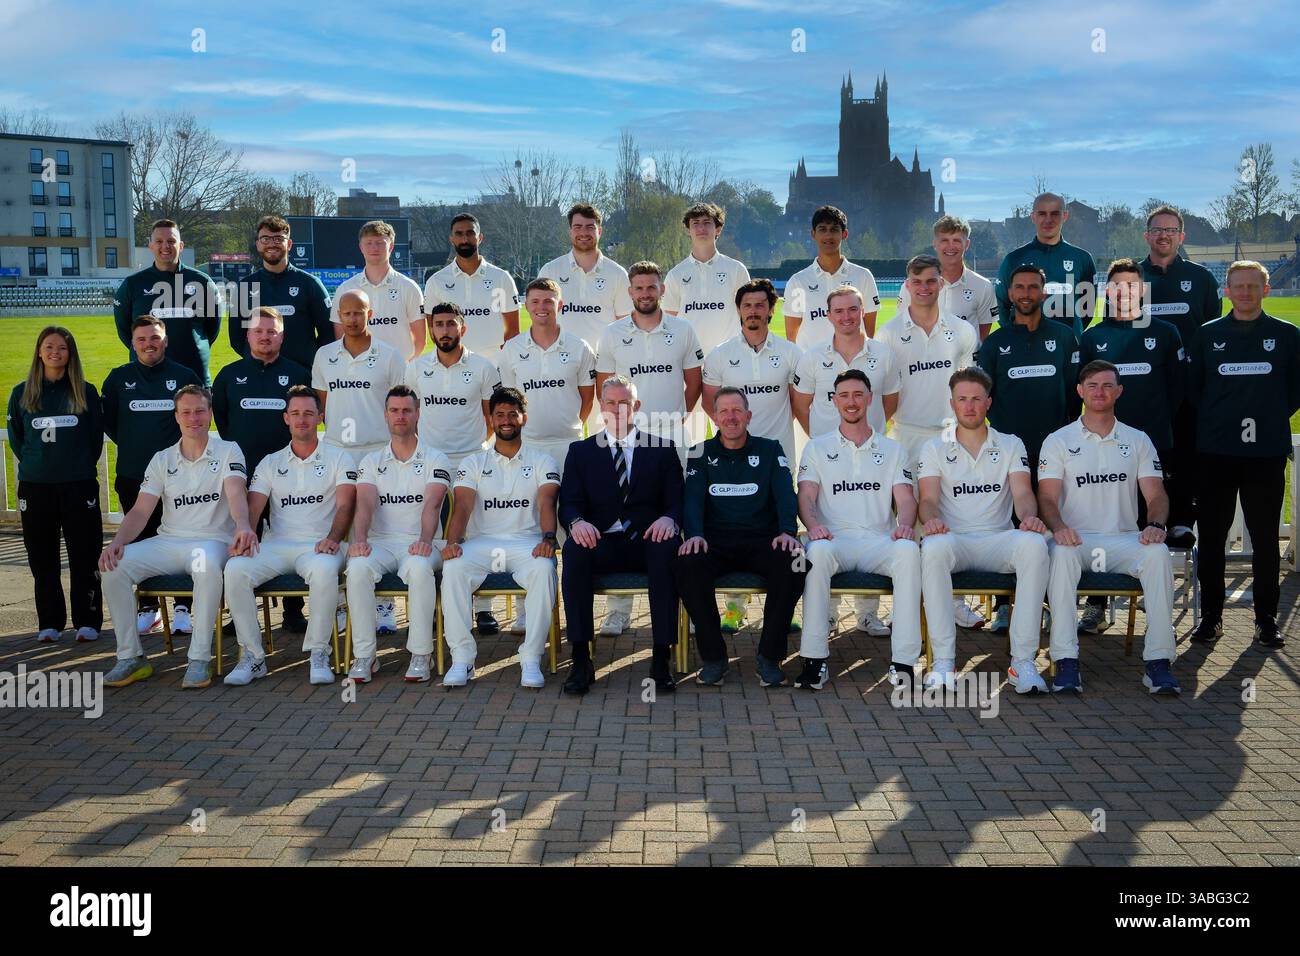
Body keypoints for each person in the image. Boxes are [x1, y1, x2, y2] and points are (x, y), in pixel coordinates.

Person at [98, 385, 257, 689]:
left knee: (205, 564)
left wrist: (243, 525)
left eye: (200, 410)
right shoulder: (162, 459)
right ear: (176, 416)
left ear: (210, 413)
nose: (193, 418)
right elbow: (141, 511)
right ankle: (131, 657)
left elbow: (237, 493)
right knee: (113, 566)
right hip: (169, 541)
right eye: (186, 412)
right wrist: (117, 543)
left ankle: (199, 659)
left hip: (212, 541)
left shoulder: (228, 450)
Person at [1037, 361, 1178, 695]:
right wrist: (1058, 528)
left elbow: (1156, 495)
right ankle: (1066, 660)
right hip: (1076, 539)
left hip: (1124, 540)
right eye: (1092, 386)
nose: (1099, 392)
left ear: (1119, 391)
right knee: (1061, 555)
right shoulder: (1058, 440)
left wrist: (1156, 525)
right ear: (1080, 391)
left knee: (1158, 554)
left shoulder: (1138, 439)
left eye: (1107, 386)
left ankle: (1158, 662)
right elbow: (1046, 498)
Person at [1186, 261, 1300, 649]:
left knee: (1265, 538)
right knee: (1213, 538)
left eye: (1253, 286)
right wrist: (1221, 420)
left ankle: (1266, 620)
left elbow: (1294, 391)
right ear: (1227, 291)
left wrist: (1267, 417)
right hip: (1216, 452)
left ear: (1265, 290)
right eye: (1239, 286)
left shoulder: (1287, 335)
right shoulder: (1207, 336)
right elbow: (1194, 391)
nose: (1246, 292)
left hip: (1265, 453)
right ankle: (1212, 618)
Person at [917, 367, 1050, 693]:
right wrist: (932, 519)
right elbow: (928, 500)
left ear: (988, 402)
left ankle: (1022, 662)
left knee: (1034, 545)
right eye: (962, 399)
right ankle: (944, 662)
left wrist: (1030, 518)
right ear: (952, 403)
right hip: (954, 540)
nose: (970, 406)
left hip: (997, 539)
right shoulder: (933, 448)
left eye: (976, 399)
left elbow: (1022, 495)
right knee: (932, 547)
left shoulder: (1010, 444)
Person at [222, 386, 357, 686]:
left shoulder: (339, 458)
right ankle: (252, 656)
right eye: (295, 414)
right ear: (286, 418)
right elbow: (254, 507)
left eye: (309, 413)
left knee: (323, 570)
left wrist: (334, 538)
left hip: (321, 546)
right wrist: (245, 533)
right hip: (277, 544)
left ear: (321, 417)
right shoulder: (271, 462)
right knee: (235, 569)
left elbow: (347, 504)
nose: (302, 420)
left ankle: (319, 653)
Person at [558, 376, 684, 695]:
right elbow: (569, 502)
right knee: (574, 551)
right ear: (601, 407)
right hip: (601, 540)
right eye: (610, 403)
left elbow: (677, 499)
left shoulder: (662, 449)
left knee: (668, 549)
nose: (617, 409)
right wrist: (576, 523)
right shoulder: (581, 451)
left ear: (636, 407)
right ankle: (581, 657)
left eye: (624, 403)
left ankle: (661, 656)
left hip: (646, 541)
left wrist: (670, 519)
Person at [796, 370, 919, 691]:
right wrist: (814, 526)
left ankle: (904, 662)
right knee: (815, 553)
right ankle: (814, 659)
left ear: (869, 399)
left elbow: (906, 498)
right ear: (834, 401)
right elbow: (806, 496)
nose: (851, 402)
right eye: (844, 396)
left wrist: (904, 526)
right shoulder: (817, 448)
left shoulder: (893, 449)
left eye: (858, 395)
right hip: (834, 540)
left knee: (908, 551)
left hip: (879, 542)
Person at [674, 387, 806, 687]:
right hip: (715, 542)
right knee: (687, 564)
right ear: (714, 417)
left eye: (737, 411)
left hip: (764, 540)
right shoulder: (699, 452)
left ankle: (770, 658)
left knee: (795, 563)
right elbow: (692, 499)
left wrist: (788, 532)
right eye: (724, 411)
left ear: (748, 416)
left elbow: (786, 494)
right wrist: (693, 534)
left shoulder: (771, 450)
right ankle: (714, 658)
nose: (730, 417)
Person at [976, 263, 1081, 634]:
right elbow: (984, 400)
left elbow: (1074, 396)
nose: (1025, 294)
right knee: (1013, 526)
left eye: (1032, 287)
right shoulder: (994, 344)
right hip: (1009, 455)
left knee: (1051, 524)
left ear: (1044, 292)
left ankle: (1048, 603)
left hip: (1056, 451)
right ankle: (1005, 605)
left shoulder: (1065, 338)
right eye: (1018, 287)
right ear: (1009, 294)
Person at [792, 284, 900, 635]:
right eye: (838, 311)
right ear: (828, 316)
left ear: (863, 310)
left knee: (874, 525)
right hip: (828, 456)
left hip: (872, 452)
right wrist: (822, 440)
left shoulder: (883, 354)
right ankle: (827, 611)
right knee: (826, 527)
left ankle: (868, 613)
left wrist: (866, 431)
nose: (847, 317)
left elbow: (890, 401)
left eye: (853, 309)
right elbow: (800, 404)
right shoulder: (811, 357)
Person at [439, 388, 561, 689]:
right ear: (490, 419)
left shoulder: (543, 460)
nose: (506, 420)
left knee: (545, 569)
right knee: (453, 569)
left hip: (526, 543)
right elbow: (463, 506)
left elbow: (547, 503)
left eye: (512, 414)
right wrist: (452, 543)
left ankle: (531, 658)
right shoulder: (472, 463)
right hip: (482, 543)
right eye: (499, 415)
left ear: (524, 417)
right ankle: (462, 659)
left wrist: (548, 538)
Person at [701, 277, 802, 633]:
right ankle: (734, 607)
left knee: (778, 529)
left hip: (777, 455)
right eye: (747, 306)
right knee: (734, 528)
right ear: (739, 311)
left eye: (760, 305)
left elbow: (799, 403)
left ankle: (783, 606)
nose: (753, 311)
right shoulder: (720, 355)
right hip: (733, 457)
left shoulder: (791, 353)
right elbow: (710, 404)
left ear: (771, 310)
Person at [405, 300, 502, 636]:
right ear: (431, 329)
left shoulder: (484, 367)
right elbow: (411, 413)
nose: (444, 330)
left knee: (474, 529)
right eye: (439, 324)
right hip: (431, 459)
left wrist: (474, 448)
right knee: (429, 528)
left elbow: (492, 416)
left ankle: (483, 606)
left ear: (463, 328)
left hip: (472, 458)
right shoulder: (416, 368)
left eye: (451, 324)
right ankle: (434, 603)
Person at [344, 385, 452, 684]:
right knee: (356, 568)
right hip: (381, 544)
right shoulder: (370, 461)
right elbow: (364, 504)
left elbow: (432, 504)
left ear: (418, 414)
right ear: (385, 415)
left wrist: (425, 541)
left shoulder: (436, 458)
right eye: (394, 410)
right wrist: (360, 539)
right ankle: (365, 656)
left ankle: (421, 654)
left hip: (421, 544)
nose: (400, 416)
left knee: (419, 568)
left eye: (407, 410)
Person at [314, 289, 407, 636]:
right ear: (339, 315)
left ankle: (384, 606)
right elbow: (323, 405)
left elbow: (402, 405)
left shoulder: (390, 356)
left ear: (371, 313)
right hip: (339, 450)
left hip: (379, 450)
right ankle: (341, 602)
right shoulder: (324, 356)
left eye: (359, 313)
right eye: (346, 313)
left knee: (378, 525)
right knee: (339, 523)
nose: (352, 319)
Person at [214, 307, 313, 632]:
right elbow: (224, 422)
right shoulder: (229, 375)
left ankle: (293, 609)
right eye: (259, 331)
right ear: (248, 336)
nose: (265, 336)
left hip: (288, 472)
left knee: (287, 535)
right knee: (245, 535)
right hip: (244, 475)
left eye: (272, 332)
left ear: (282, 336)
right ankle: (241, 611)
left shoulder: (297, 374)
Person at [101, 316, 200, 636]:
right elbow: (112, 424)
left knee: (182, 538)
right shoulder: (118, 379)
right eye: (142, 339)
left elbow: (196, 421)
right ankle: (149, 607)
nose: (149, 344)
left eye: (155, 338)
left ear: (166, 341)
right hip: (133, 474)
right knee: (140, 540)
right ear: (132, 343)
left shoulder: (184, 376)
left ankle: (184, 606)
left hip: (180, 477)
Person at [6, 327, 104, 644]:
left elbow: (94, 441)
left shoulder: (85, 392)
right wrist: (40, 465)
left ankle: (87, 620)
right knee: (42, 557)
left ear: (70, 354)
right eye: (49, 347)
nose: (54, 353)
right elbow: (20, 441)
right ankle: (49, 622)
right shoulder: (22, 392)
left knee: (85, 556)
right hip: (37, 488)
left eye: (61, 348)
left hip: (78, 485)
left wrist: (73, 465)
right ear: (39, 351)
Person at [1139, 205, 1223, 546]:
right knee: (1146, 454)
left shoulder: (1201, 279)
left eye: (1170, 230)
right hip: (1146, 388)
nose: (1163, 235)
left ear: (1181, 236)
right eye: (1157, 230)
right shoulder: (1132, 276)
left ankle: (1182, 521)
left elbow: (1211, 333)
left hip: (1189, 388)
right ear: (1147, 236)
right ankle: (1142, 520)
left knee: (1186, 451)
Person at [594, 261, 704, 456]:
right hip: (629, 432)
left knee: (678, 486)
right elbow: (603, 388)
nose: (645, 294)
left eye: (651, 287)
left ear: (662, 289)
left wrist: (679, 417)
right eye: (639, 288)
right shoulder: (612, 333)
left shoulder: (683, 329)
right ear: (630, 292)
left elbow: (695, 383)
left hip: (673, 433)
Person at [496, 278, 596, 470]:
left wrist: (569, 427)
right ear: (526, 306)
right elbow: (509, 399)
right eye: (535, 301)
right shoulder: (511, 349)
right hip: (528, 444)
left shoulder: (580, 347)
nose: (542, 307)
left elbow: (588, 399)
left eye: (548, 301)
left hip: (570, 443)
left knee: (570, 500)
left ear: (560, 305)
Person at [113, 218, 222, 385]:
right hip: (147, 378)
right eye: (159, 241)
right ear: (150, 246)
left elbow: (211, 330)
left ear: (181, 246)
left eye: (171, 241)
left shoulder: (202, 282)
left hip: (194, 374)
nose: (165, 246)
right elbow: (125, 331)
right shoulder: (132, 284)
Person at [231, 215, 333, 370]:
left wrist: (307, 358)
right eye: (265, 239)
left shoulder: (309, 284)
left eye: (278, 239)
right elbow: (237, 337)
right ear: (258, 244)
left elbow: (328, 333)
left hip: (301, 376)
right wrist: (261, 358)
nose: (272, 244)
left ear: (289, 244)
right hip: (259, 374)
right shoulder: (245, 286)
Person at [995, 193, 1098, 340]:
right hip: (1026, 345)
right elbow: (1000, 304)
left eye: (1055, 213)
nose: (1048, 220)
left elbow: (1087, 309)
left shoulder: (1082, 258)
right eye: (1042, 213)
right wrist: (1016, 334)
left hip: (1069, 347)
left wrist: (1071, 332)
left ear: (1065, 216)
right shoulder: (1014, 259)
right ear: (1033, 217)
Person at [538, 203, 632, 359]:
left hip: (604, 363)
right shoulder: (550, 271)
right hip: (559, 362)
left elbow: (625, 326)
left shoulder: (618, 274)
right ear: (570, 232)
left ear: (599, 231)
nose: (583, 232)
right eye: (577, 227)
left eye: (590, 227)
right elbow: (541, 320)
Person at [661, 202, 751, 356]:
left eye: (707, 223)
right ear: (688, 230)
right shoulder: (675, 274)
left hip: (731, 358)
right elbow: (669, 323)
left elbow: (748, 315)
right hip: (689, 360)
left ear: (718, 229)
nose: (701, 228)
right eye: (695, 223)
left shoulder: (736, 269)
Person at [423, 213, 520, 355]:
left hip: (494, 367)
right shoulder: (436, 281)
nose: (465, 239)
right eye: (459, 234)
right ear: (451, 239)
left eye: (470, 233)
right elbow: (433, 331)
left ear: (480, 237)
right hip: (456, 367)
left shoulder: (501, 278)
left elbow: (513, 330)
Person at [782, 205, 881, 344]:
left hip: (853, 364)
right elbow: (792, 338)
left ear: (844, 234)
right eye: (822, 229)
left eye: (834, 230)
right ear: (813, 234)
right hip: (812, 364)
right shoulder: (798, 281)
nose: (828, 235)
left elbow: (869, 333)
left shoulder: (863, 276)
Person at [330, 220, 425, 361]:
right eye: (369, 243)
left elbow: (420, 339)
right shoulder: (346, 289)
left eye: (380, 243)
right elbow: (340, 337)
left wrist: (406, 367)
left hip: (400, 375)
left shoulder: (409, 287)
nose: (374, 247)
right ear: (361, 247)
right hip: (361, 375)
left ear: (391, 246)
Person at [896, 215, 997, 341]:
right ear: (935, 243)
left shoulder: (983, 286)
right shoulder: (911, 287)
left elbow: (982, 339)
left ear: (967, 244)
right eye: (944, 240)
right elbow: (902, 329)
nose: (951, 246)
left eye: (956, 240)